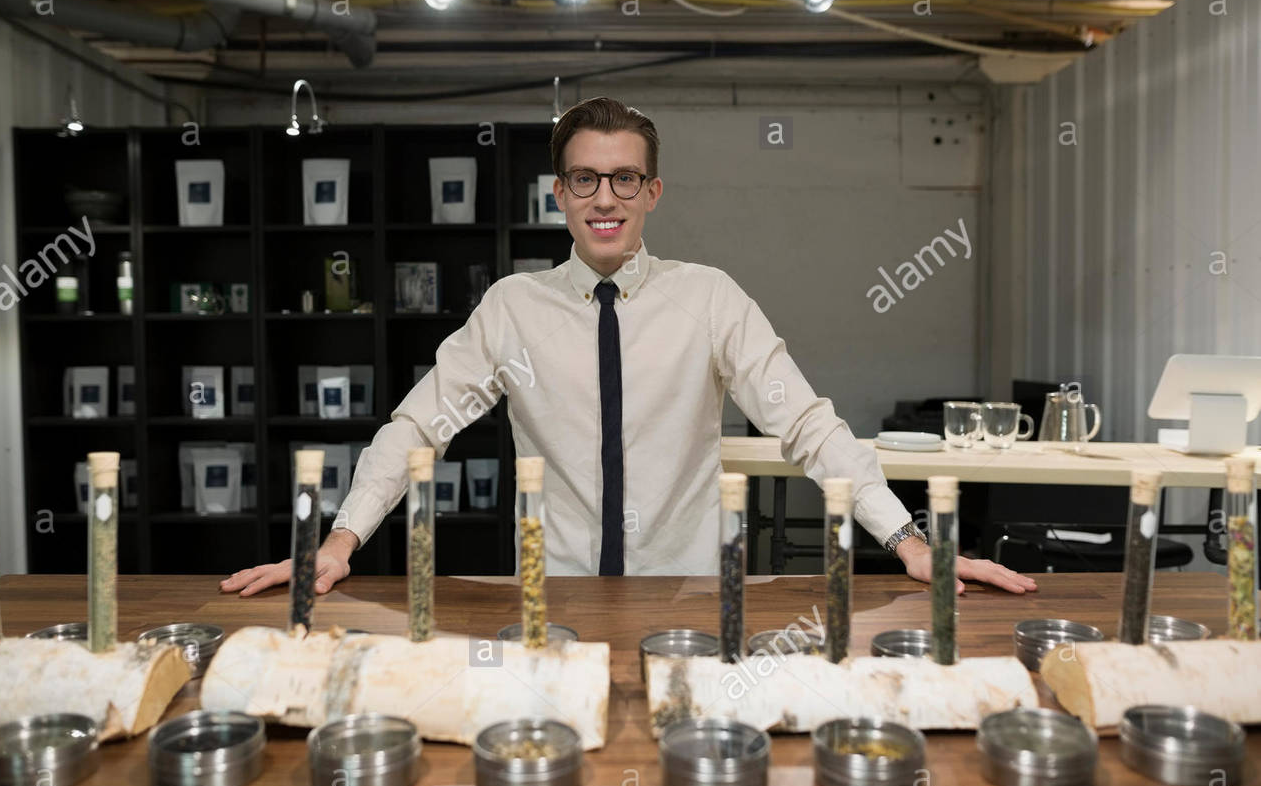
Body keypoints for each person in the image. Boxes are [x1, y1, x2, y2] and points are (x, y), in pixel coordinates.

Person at [222, 96, 1035, 598]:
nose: (603, 199)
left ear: (651, 192)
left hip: (684, 597)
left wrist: (909, 543)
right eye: (584, 178)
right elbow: (415, 430)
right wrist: (337, 542)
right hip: (555, 597)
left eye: (622, 179)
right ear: (560, 193)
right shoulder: (513, 309)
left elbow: (809, 426)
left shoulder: (708, 298)